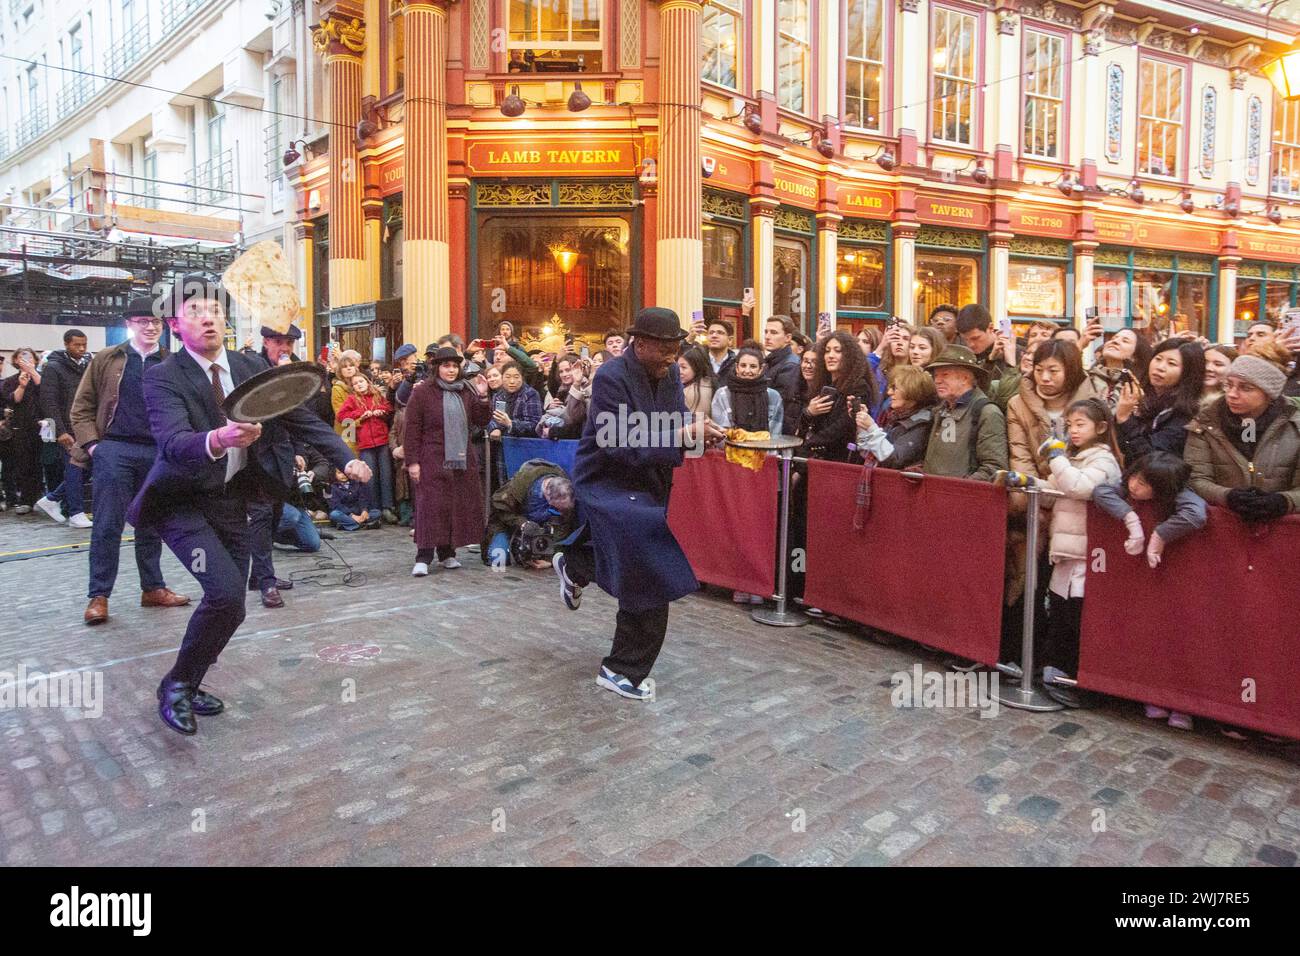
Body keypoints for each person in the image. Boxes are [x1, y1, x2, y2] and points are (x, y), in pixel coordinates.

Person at [129, 273, 370, 736]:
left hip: (233, 500)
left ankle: (190, 677)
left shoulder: (248, 368)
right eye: (194, 312)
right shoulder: (163, 378)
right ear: (176, 325)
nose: (207, 318)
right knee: (221, 593)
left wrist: (347, 459)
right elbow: (174, 443)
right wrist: (219, 437)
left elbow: (300, 418)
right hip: (181, 505)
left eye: (215, 310)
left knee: (233, 605)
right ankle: (176, 685)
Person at [554, 307, 724, 701]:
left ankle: (575, 564)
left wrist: (703, 436)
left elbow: (677, 423)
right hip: (607, 480)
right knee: (649, 572)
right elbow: (619, 439)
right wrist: (684, 433)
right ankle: (621, 669)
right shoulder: (611, 376)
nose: (672, 357)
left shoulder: (668, 376)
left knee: (636, 563)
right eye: (666, 348)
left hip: (648, 481)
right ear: (641, 344)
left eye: (676, 348)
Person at [71, 297, 190, 625]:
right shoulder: (108, 359)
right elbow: (81, 407)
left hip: (157, 452)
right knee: (108, 525)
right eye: (142, 321)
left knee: (151, 523)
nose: (150, 327)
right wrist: (95, 446)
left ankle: (152, 588)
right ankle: (99, 596)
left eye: (155, 322)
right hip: (115, 450)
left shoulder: (173, 363)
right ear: (130, 324)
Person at [1009, 398, 1122, 708]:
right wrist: (1027, 482)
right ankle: (1055, 673)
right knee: (1057, 610)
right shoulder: (1074, 458)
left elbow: (1078, 488)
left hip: (1085, 551)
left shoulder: (1102, 460)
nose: (1073, 431)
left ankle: (1075, 679)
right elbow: (1054, 489)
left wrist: (1057, 457)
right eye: (1070, 425)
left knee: (1075, 615)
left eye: (1080, 424)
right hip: (1065, 549)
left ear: (1100, 427)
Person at [1094, 451, 1208, 730]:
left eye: (1144, 484)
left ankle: (1180, 702)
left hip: (1179, 581)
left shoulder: (1180, 495)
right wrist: (1132, 519)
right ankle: (1150, 694)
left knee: (1176, 638)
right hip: (1140, 583)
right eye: (1134, 477)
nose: (1134, 486)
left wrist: (1159, 535)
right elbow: (1101, 492)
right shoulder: (1127, 486)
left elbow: (1197, 514)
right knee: (1145, 634)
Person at [404, 346, 492, 575]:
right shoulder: (422, 392)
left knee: (453, 506)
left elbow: (481, 421)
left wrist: (483, 396)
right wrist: (413, 462)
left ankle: (447, 553)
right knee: (430, 506)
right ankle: (423, 556)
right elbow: (412, 429)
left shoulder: (466, 391)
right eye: (446, 365)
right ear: (437, 368)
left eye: (455, 365)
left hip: (461, 459)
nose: (451, 370)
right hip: (431, 458)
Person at [1184, 354, 1299, 521]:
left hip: (1281, 532)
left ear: (1268, 394)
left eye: (1245, 388)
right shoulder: (1206, 423)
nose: (1232, 394)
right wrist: (1228, 496)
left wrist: (1284, 501)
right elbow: (1196, 478)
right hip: (1226, 527)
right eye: (1228, 385)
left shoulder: (1295, 427)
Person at [1006, 340, 1103, 486]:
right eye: (1038, 370)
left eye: (1053, 371)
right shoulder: (1017, 404)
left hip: (1078, 487)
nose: (1044, 378)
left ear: (1071, 371)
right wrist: (1031, 495)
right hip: (1034, 490)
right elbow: (1020, 456)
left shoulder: (1092, 402)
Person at [921, 344, 1009, 481]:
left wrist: (962, 489)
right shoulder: (939, 410)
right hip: (933, 494)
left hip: (962, 497)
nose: (937, 380)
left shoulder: (987, 413)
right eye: (936, 375)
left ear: (965, 378)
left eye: (945, 375)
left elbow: (994, 467)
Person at [35, 328, 91, 527]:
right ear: (67, 344)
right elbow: (49, 401)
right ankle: (75, 513)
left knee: (87, 467)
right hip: (66, 427)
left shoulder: (86, 365)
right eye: (77, 345)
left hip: (84, 425)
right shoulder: (54, 367)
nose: (82, 348)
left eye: (84, 344)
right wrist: (60, 431)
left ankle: (51, 499)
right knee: (74, 468)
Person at [1115, 338, 1204, 461]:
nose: (1160, 367)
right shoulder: (1144, 399)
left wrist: (1125, 419)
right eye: (1158, 359)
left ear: (1187, 372)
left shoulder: (1185, 414)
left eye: (1171, 363)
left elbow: (1152, 457)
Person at [798, 330, 879, 462]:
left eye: (837, 351)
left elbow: (845, 425)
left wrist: (809, 444)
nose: (831, 355)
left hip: (842, 460)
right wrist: (809, 412)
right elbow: (806, 424)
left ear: (849, 355)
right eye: (827, 351)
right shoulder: (823, 384)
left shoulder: (859, 386)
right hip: (817, 457)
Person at [482, 462, 577, 569]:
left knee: (539, 557)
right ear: (548, 497)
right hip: (507, 524)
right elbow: (499, 506)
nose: (560, 510)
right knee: (498, 559)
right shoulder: (519, 484)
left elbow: (562, 529)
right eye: (557, 507)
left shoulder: (564, 491)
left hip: (540, 532)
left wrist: (551, 560)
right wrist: (522, 524)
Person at [853, 363, 938, 470]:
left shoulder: (922, 423)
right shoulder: (892, 416)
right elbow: (866, 452)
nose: (889, 392)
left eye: (894, 388)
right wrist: (862, 426)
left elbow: (894, 460)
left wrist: (871, 428)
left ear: (912, 390)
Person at [336, 373, 395, 525]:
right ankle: (374, 509)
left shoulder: (377, 395)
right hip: (365, 443)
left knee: (386, 475)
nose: (359, 384)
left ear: (367, 382)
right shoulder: (352, 399)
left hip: (382, 440)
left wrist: (381, 411)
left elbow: (389, 408)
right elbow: (342, 416)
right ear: (353, 387)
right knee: (370, 477)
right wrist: (361, 414)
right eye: (355, 383)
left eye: (361, 381)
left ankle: (387, 507)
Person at [0, 347, 45, 513]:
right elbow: (12, 400)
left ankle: (42, 497)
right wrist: (22, 385)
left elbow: (46, 392)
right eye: (22, 357)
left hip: (42, 426)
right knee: (24, 464)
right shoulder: (10, 381)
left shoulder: (41, 378)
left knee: (42, 463)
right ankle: (26, 499)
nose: (26, 360)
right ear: (16, 361)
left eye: (29, 357)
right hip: (20, 427)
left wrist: (33, 372)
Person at [955, 303, 1019, 410]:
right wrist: (990, 361)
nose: (971, 344)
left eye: (975, 338)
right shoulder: (963, 356)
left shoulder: (1015, 351)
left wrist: (1010, 361)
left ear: (990, 328)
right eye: (965, 339)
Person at [711, 347, 783, 435]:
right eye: (743, 365)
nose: (747, 370)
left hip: (765, 447)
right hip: (730, 448)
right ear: (737, 367)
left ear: (761, 369)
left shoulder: (773, 396)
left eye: (753, 366)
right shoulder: (722, 394)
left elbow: (775, 434)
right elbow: (722, 433)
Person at [1087, 327, 1153, 410]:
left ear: (1134, 356)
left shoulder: (1136, 391)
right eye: (1113, 338)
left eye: (1125, 341)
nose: (1115, 341)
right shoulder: (1086, 378)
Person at [761, 316, 804, 435]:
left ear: (788, 338)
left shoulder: (790, 365)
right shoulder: (771, 361)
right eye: (766, 332)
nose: (767, 336)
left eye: (774, 332)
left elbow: (779, 403)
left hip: (777, 430)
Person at [493, 361, 542, 437]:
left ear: (522, 378)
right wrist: (495, 428)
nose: (512, 381)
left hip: (525, 443)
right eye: (508, 377)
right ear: (502, 378)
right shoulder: (498, 396)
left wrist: (510, 423)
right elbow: (492, 420)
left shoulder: (530, 394)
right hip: (503, 441)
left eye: (516, 377)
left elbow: (534, 424)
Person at [331, 349, 362, 453]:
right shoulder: (337, 388)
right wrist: (362, 420)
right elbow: (341, 416)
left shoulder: (361, 384)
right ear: (340, 370)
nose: (349, 368)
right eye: (345, 367)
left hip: (364, 433)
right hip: (347, 433)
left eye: (351, 366)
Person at [677, 347, 714, 421]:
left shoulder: (695, 391)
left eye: (684, 367)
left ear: (697, 367)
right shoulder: (710, 383)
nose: (679, 371)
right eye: (677, 367)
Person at [704, 319, 736, 384]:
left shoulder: (736, 364)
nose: (714, 336)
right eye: (711, 332)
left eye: (720, 333)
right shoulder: (699, 361)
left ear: (730, 340)